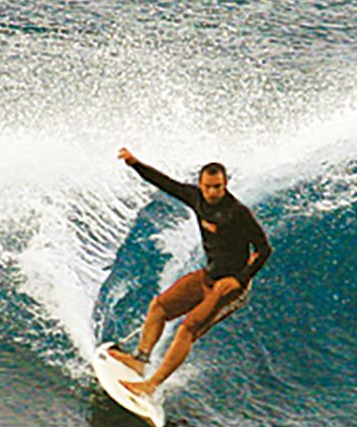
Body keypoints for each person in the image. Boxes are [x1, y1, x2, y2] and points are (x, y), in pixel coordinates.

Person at [109, 148, 272, 398]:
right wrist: (135, 163)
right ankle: (139, 361)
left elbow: (264, 248)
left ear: (225, 185)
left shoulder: (237, 213)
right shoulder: (195, 198)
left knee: (187, 329)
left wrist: (240, 279)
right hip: (209, 275)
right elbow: (164, 182)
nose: (212, 192)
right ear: (200, 184)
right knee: (159, 307)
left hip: (231, 288)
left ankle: (151, 385)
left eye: (217, 187)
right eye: (208, 187)